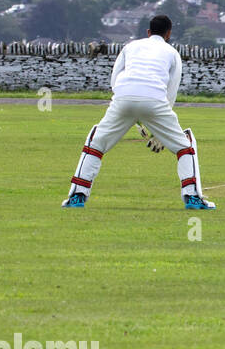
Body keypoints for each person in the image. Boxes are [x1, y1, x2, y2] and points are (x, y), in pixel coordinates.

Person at [61, 15, 215, 210]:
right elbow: (171, 91)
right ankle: (192, 197)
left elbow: (115, 79)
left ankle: (77, 196)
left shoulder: (130, 46)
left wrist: (131, 114)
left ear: (148, 32)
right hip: (155, 101)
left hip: (123, 98)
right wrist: (158, 132)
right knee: (185, 146)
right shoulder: (172, 52)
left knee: (96, 143)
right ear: (168, 34)